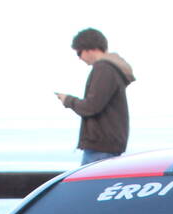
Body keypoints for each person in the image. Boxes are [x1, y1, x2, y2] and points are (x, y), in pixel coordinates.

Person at [55, 28, 135, 165]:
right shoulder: (110, 68)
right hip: (107, 145)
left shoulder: (104, 69)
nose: (79, 58)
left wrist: (67, 100)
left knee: (86, 186)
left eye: (79, 53)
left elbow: (91, 106)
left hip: (101, 146)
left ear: (90, 49)